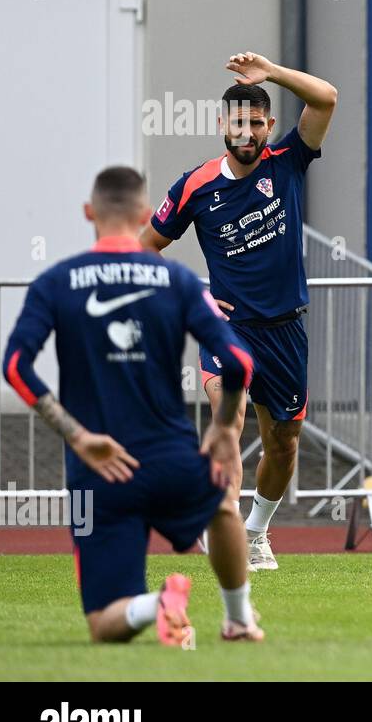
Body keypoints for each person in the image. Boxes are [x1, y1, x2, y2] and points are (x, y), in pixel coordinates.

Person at [2, 167, 264, 643]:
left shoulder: (57, 282)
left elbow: (16, 366)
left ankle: (156, 603)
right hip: (171, 458)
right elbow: (240, 360)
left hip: (98, 471)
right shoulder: (179, 281)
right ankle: (239, 619)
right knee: (223, 507)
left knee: (104, 625)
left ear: (89, 213)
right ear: (146, 215)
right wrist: (225, 428)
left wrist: (77, 436)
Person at [141, 52, 337, 571]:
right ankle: (221, 519)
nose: (246, 131)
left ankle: (254, 533)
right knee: (232, 416)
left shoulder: (289, 160)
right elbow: (140, 252)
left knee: (284, 442)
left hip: (286, 330)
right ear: (222, 126)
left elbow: (326, 97)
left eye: (255, 122)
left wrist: (272, 72)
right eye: (237, 123)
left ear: (269, 126)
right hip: (227, 328)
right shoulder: (194, 186)